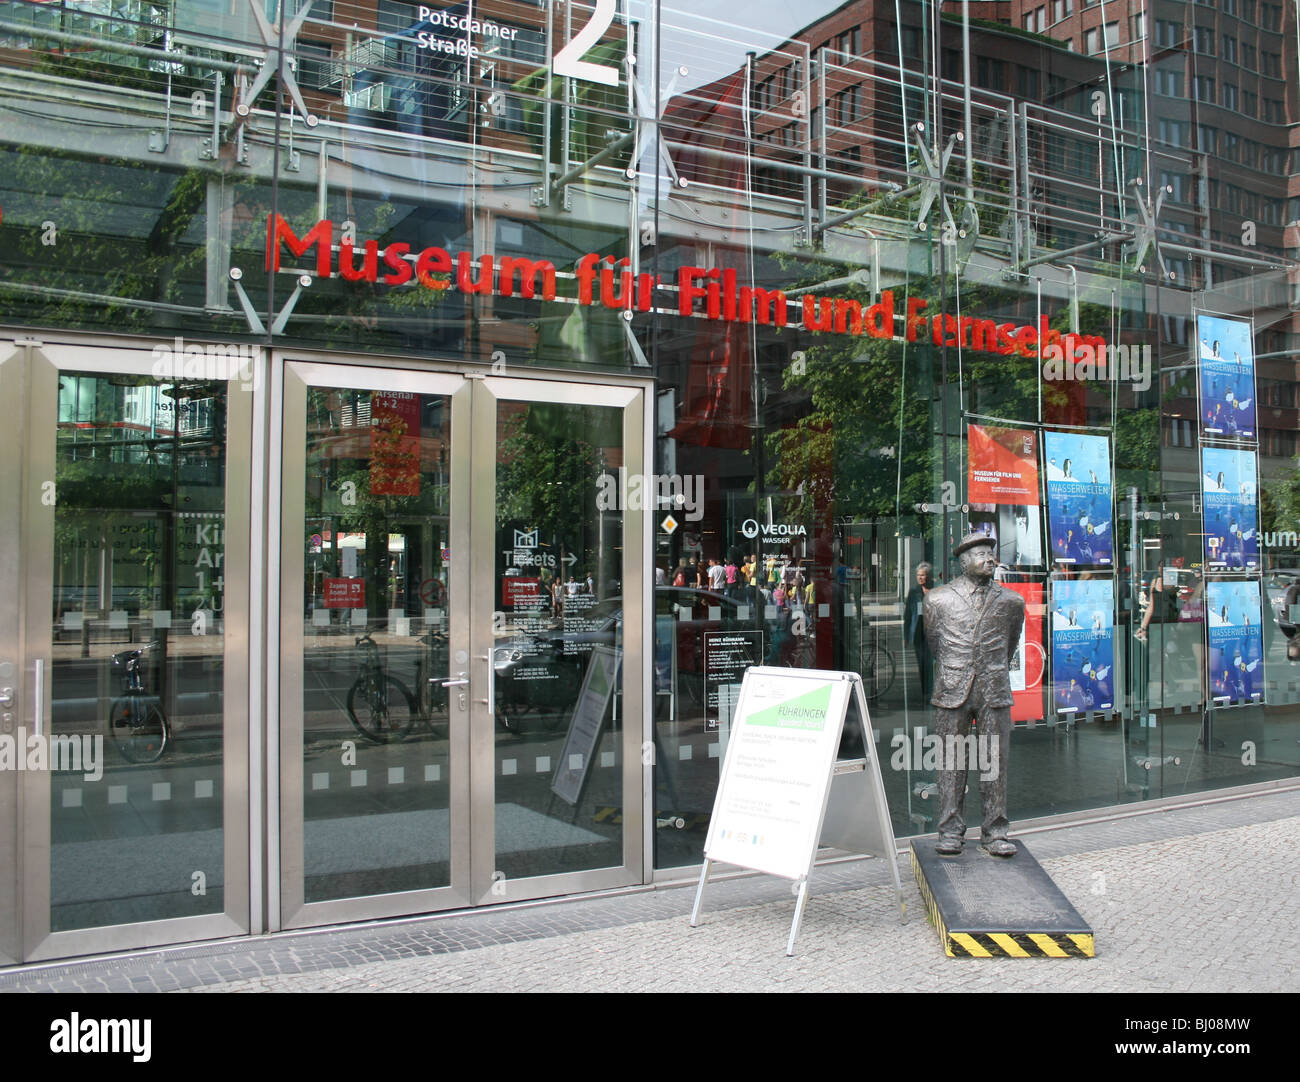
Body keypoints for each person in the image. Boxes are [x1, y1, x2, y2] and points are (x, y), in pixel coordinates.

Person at [924, 533, 1025, 857]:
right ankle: (950, 830)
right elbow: (934, 644)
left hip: (993, 686)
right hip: (952, 686)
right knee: (950, 761)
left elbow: (1010, 644)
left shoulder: (1012, 602)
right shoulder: (938, 599)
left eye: (990, 553)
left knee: (996, 761)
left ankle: (995, 832)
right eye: (980, 553)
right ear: (963, 561)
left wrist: (989, 668)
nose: (988, 558)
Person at [903, 562, 935, 697]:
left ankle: (933, 689)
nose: (920, 578)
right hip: (918, 633)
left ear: (928, 576)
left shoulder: (935, 590)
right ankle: (925, 691)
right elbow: (908, 615)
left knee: (932, 663)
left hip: (933, 633)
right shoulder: (914, 591)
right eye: (918, 575)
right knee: (921, 663)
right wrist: (906, 636)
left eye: (923, 575)